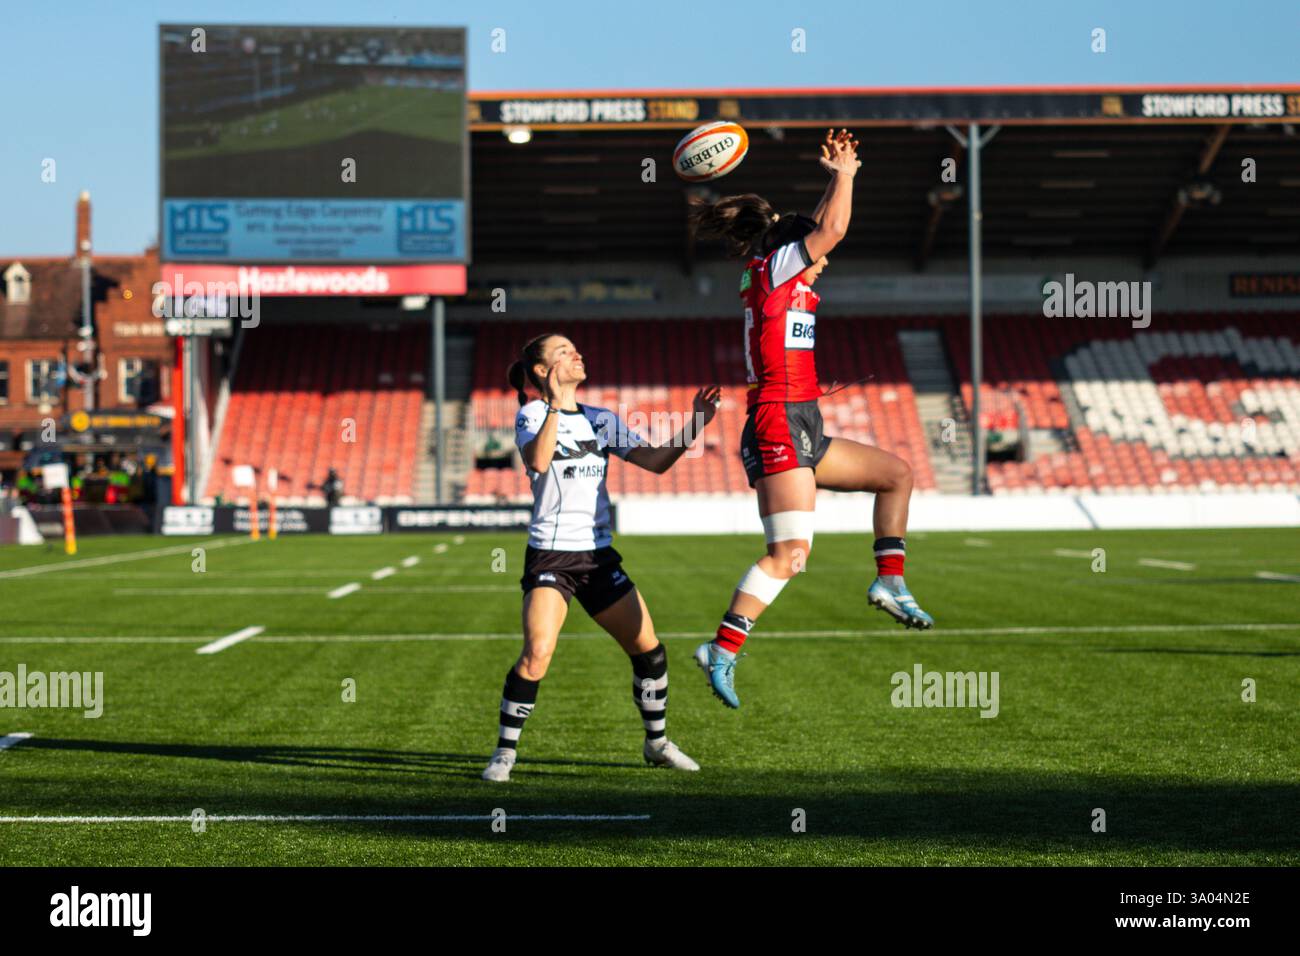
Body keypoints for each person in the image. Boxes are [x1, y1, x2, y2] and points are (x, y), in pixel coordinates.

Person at [686, 128, 935, 710]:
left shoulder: (776, 270)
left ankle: (889, 580)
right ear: (795, 252)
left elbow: (820, 230)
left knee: (895, 473)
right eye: (817, 258)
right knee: (790, 555)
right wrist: (846, 175)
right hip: (777, 420)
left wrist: (830, 182)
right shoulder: (774, 271)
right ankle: (722, 649)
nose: (824, 266)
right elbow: (833, 230)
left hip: (802, 420)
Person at [482, 332, 722, 782]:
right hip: (552, 557)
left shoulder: (601, 418)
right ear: (541, 371)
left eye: (576, 349)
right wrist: (554, 404)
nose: (577, 355)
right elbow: (537, 461)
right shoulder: (531, 414)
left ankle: (657, 744)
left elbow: (654, 461)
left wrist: (696, 422)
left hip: (598, 557)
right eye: (564, 352)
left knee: (649, 651)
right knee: (537, 653)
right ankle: (504, 753)